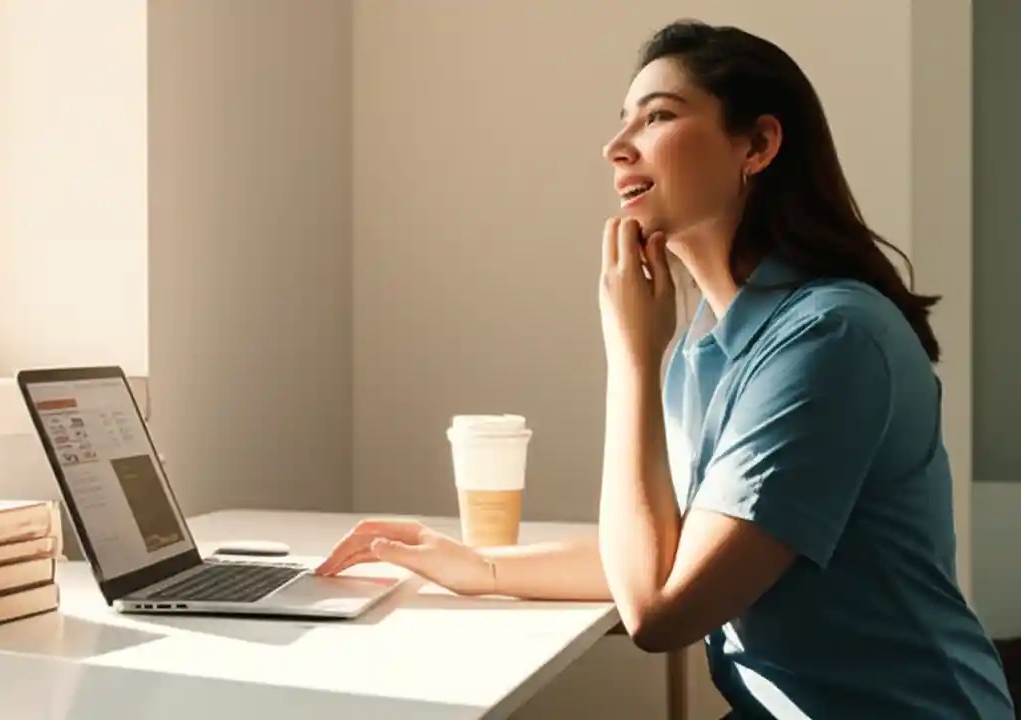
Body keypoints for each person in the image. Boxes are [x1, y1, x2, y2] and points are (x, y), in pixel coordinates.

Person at [315, 20, 1015, 719]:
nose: (616, 148)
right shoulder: (708, 346)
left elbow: (659, 611)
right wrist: (480, 568)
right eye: (624, 124)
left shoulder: (830, 339)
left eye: (657, 117)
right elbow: (672, 553)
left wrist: (630, 359)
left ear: (760, 145)